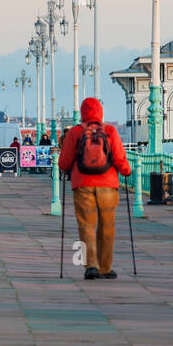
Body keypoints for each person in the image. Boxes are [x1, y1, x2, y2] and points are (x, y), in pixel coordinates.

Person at [58, 97, 132, 280]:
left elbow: (64, 162)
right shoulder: (109, 130)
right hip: (108, 184)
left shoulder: (76, 132)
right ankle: (105, 268)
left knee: (86, 226)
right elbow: (119, 157)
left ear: (82, 112)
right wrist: (126, 171)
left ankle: (91, 265)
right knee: (107, 226)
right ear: (100, 112)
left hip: (82, 184)